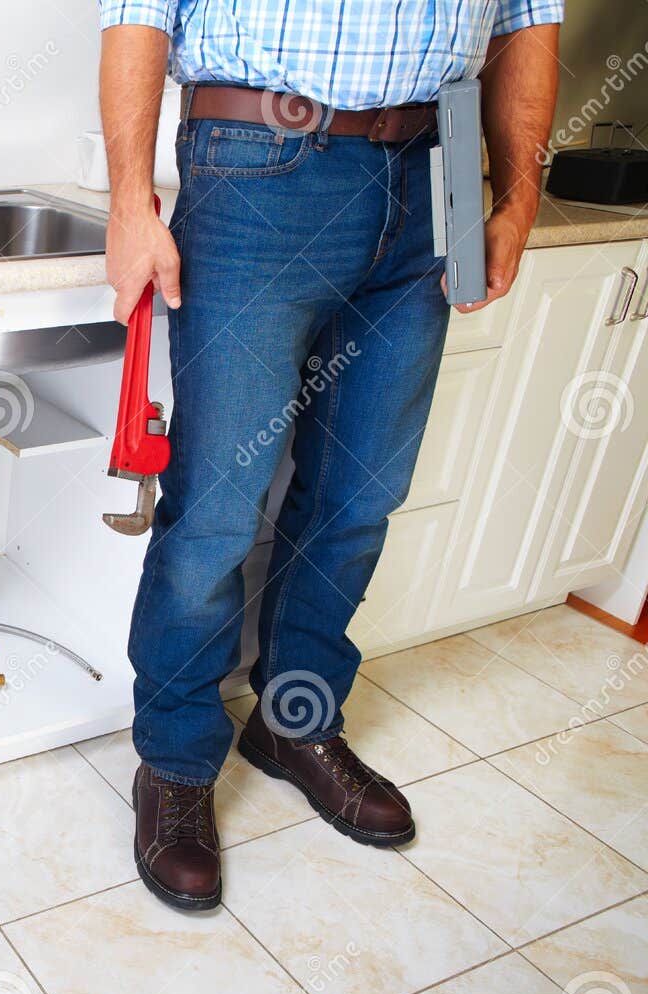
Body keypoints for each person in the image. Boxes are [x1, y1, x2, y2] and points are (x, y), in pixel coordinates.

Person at [99, 1, 564, 910]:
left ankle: (294, 721)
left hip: (434, 173)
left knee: (361, 493)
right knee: (218, 504)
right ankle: (178, 760)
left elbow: (528, 21)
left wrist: (518, 200)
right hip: (258, 164)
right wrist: (130, 200)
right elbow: (138, 8)